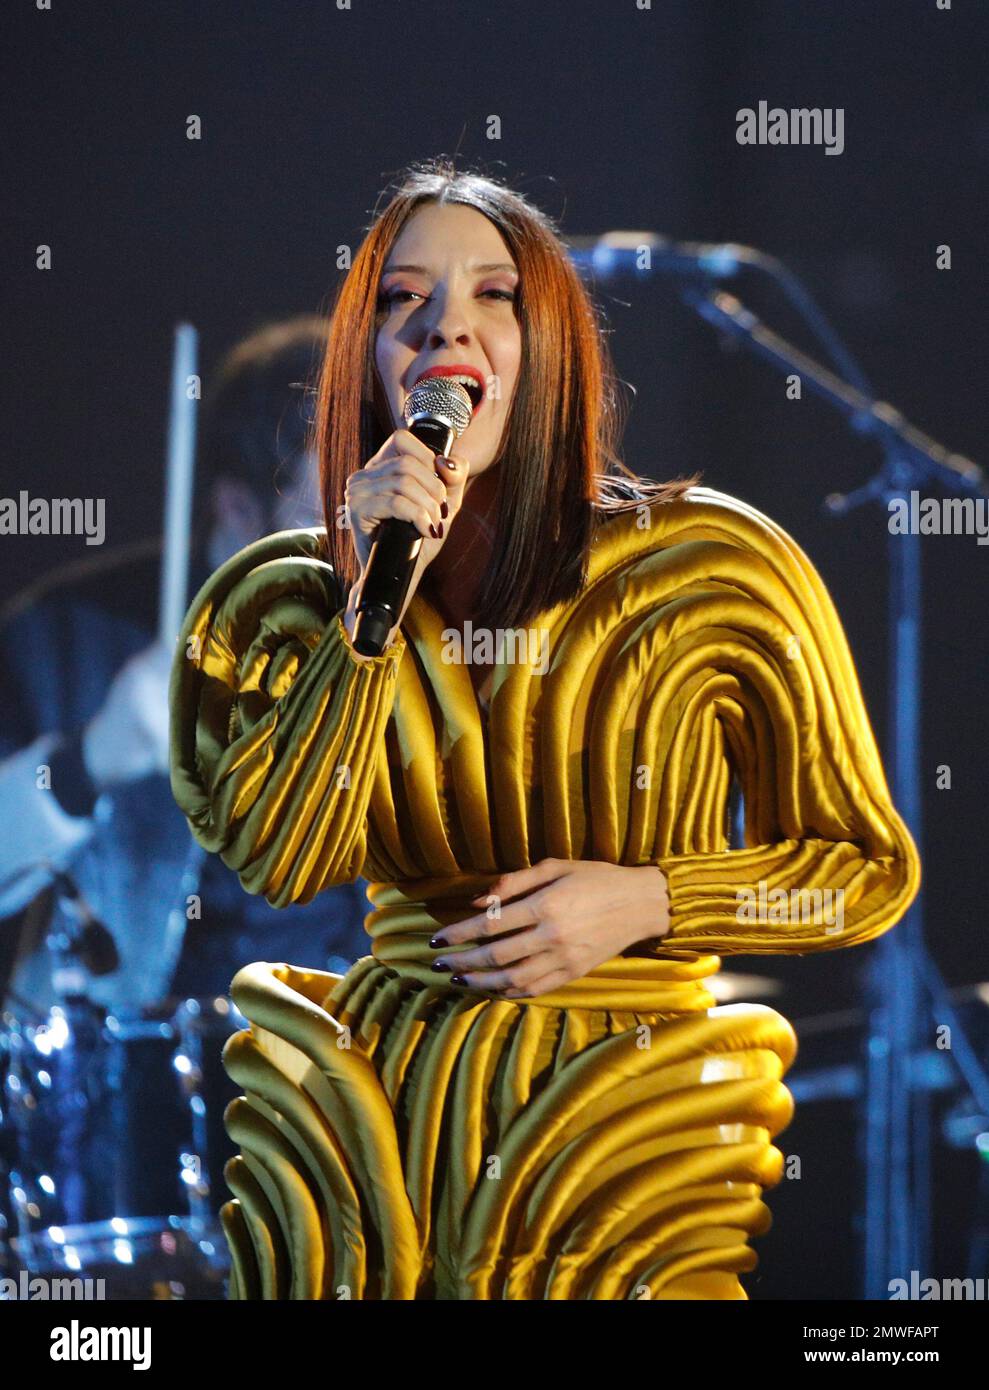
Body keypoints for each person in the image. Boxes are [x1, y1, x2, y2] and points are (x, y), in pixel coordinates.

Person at [168, 160, 921, 1301]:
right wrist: (368, 621)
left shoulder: (710, 567)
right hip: (381, 1146)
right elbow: (281, 855)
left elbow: (858, 874)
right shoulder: (289, 600)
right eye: (401, 299)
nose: (442, 330)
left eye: (492, 296)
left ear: (552, 339)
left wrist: (644, 901)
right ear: (362, 354)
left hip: (629, 1132)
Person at [0, 317, 370, 1020]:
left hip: (348, 1096)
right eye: (350, 504)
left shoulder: (415, 636)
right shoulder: (63, 636)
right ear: (237, 506)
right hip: (132, 1103)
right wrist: (92, 758)